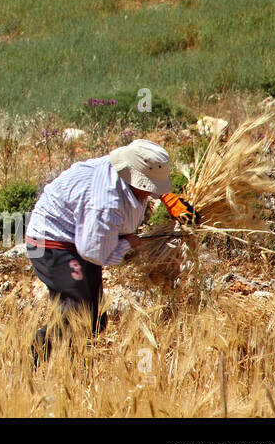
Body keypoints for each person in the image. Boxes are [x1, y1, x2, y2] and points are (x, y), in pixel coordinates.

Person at [24, 139, 172, 364]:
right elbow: (93, 253)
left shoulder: (128, 173)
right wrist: (130, 244)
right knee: (77, 313)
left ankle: (70, 374)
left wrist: (173, 202)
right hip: (53, 242)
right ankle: (31, 359)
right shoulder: (105, 203)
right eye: (149, 187)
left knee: (93, 319)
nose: (151, 194)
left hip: (80, 238)